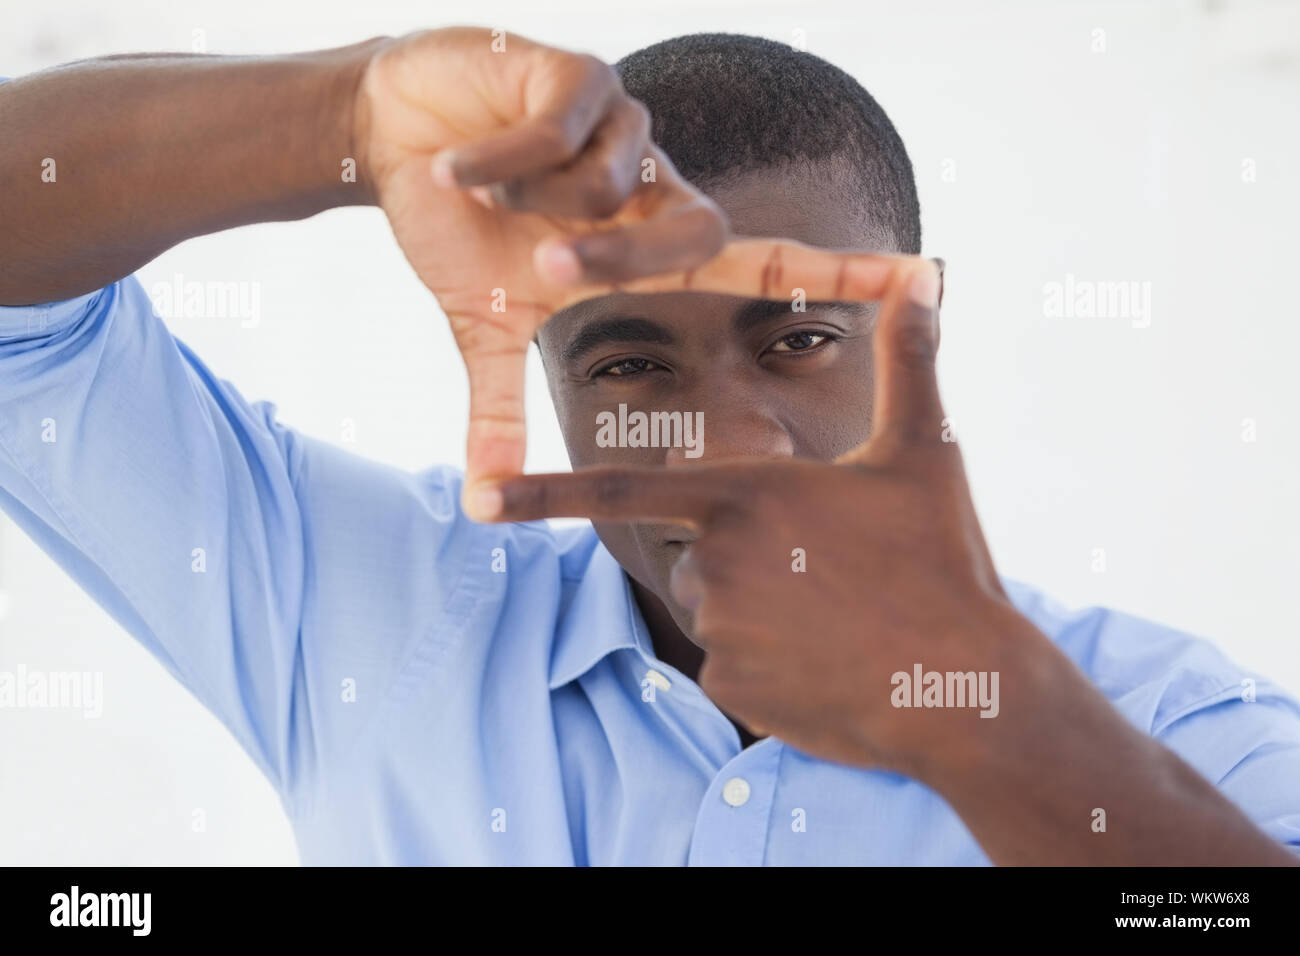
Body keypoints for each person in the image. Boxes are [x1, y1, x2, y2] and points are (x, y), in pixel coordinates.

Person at [1, 27, 1297, 866]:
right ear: (553, 376)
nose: (728, 442)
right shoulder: (371, 622)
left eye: (795, 341)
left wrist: (984, 726)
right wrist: (342, 117)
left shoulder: (1175, 729)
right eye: (631, 363)